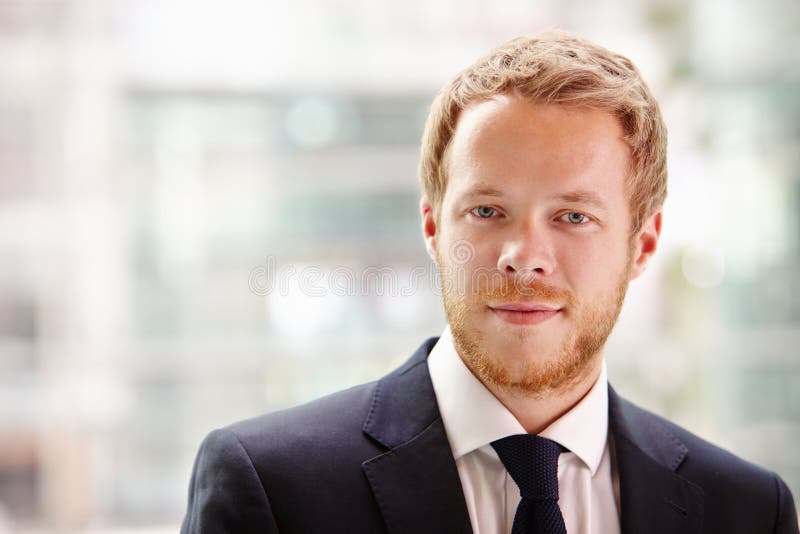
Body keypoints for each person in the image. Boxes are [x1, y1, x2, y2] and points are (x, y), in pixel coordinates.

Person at [180, 30, 799, 534]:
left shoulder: (747, 511)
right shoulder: (271, 489)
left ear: (644, 243)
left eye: (573, 217)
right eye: (487, 211)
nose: (524, 257)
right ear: (431, 225)